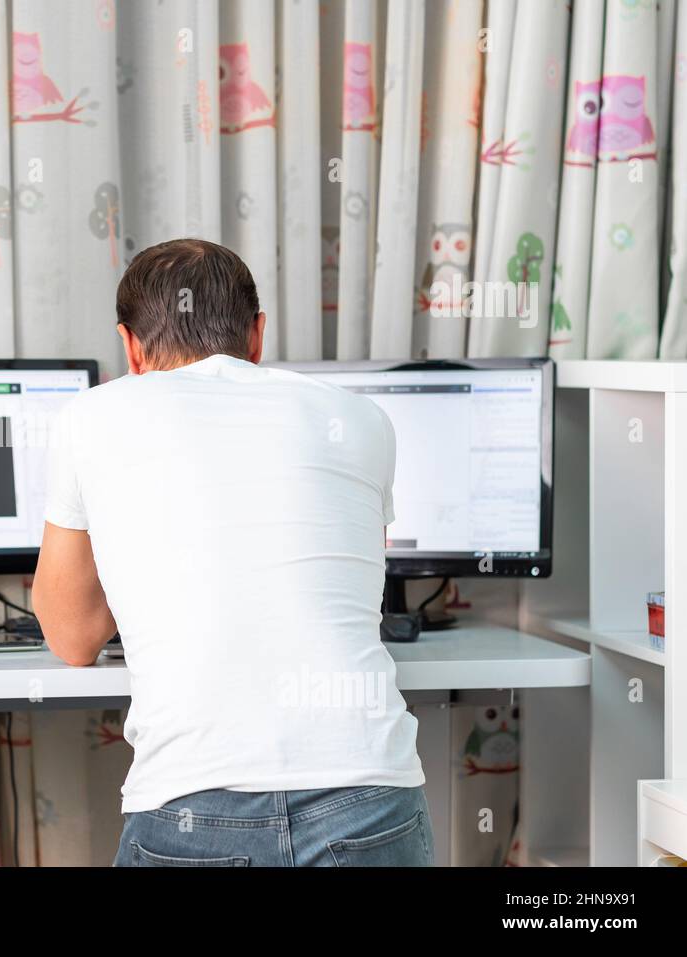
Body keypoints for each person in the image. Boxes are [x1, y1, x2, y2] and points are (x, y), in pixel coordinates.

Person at [31, 238, 430, 867]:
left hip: (193, 801)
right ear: (257, 336)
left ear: (129, 345)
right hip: (368, 794)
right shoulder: (361, 417)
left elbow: (72, 637)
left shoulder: (92, 418)